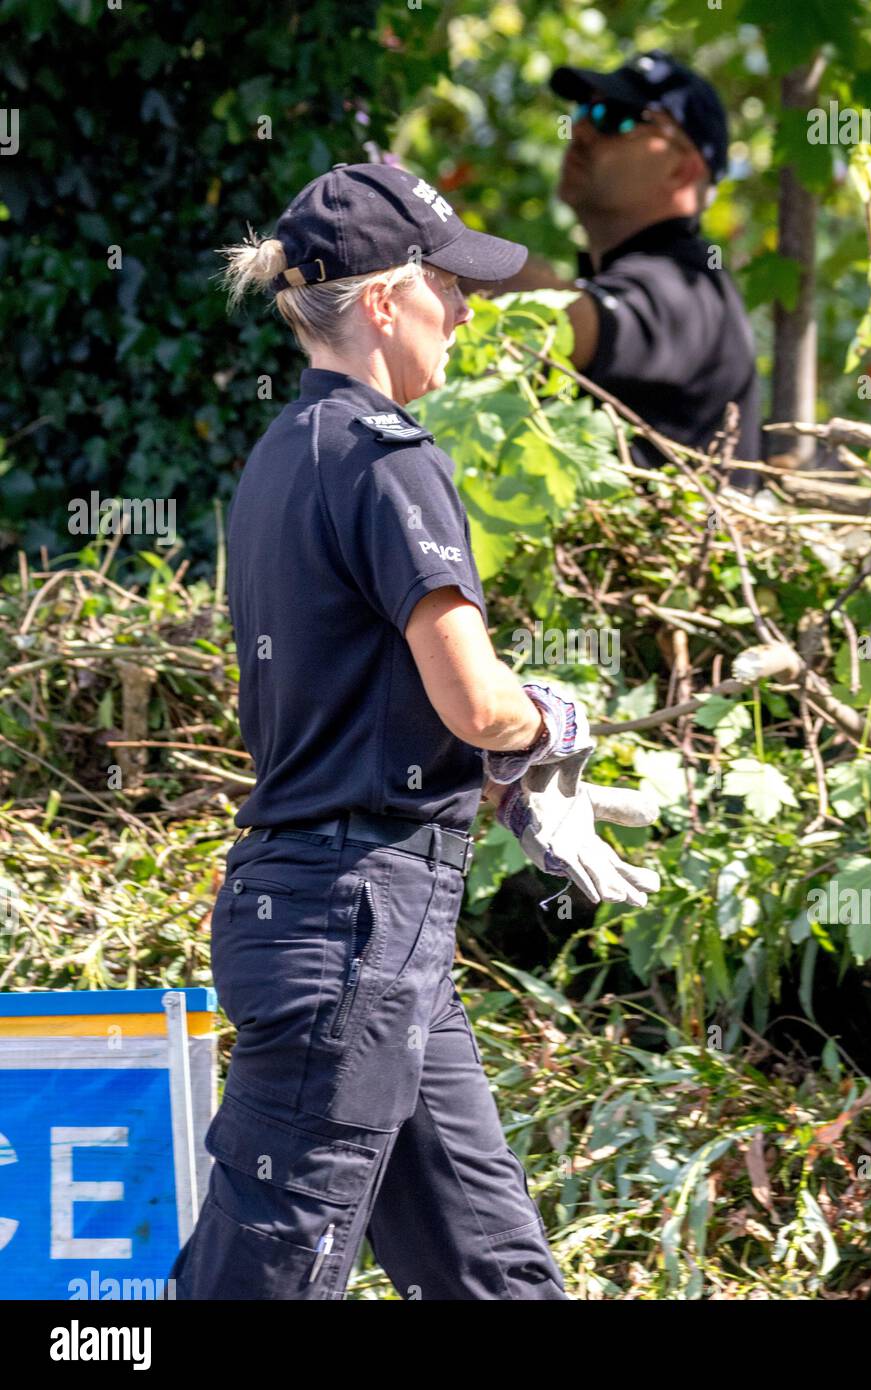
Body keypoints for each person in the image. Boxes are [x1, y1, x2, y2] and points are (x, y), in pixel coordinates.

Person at [168, 161, 659, 1301]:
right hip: (352, 931)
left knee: (493, 1272)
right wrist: (552, 722)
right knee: (267, 1283)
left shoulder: (282, 457)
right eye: (451, 285)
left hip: (367, 940)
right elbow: (474, 700)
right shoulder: (395, 461)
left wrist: (497, 774)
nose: (470, 307)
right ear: (386, 300)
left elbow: (365, 701)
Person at [481, 50, 761, 488]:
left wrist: (432, 242)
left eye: (618, 117)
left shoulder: (692, 288)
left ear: (683, 170)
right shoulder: (630, 275)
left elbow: (565, 325)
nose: (582, 128)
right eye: (584, 109)